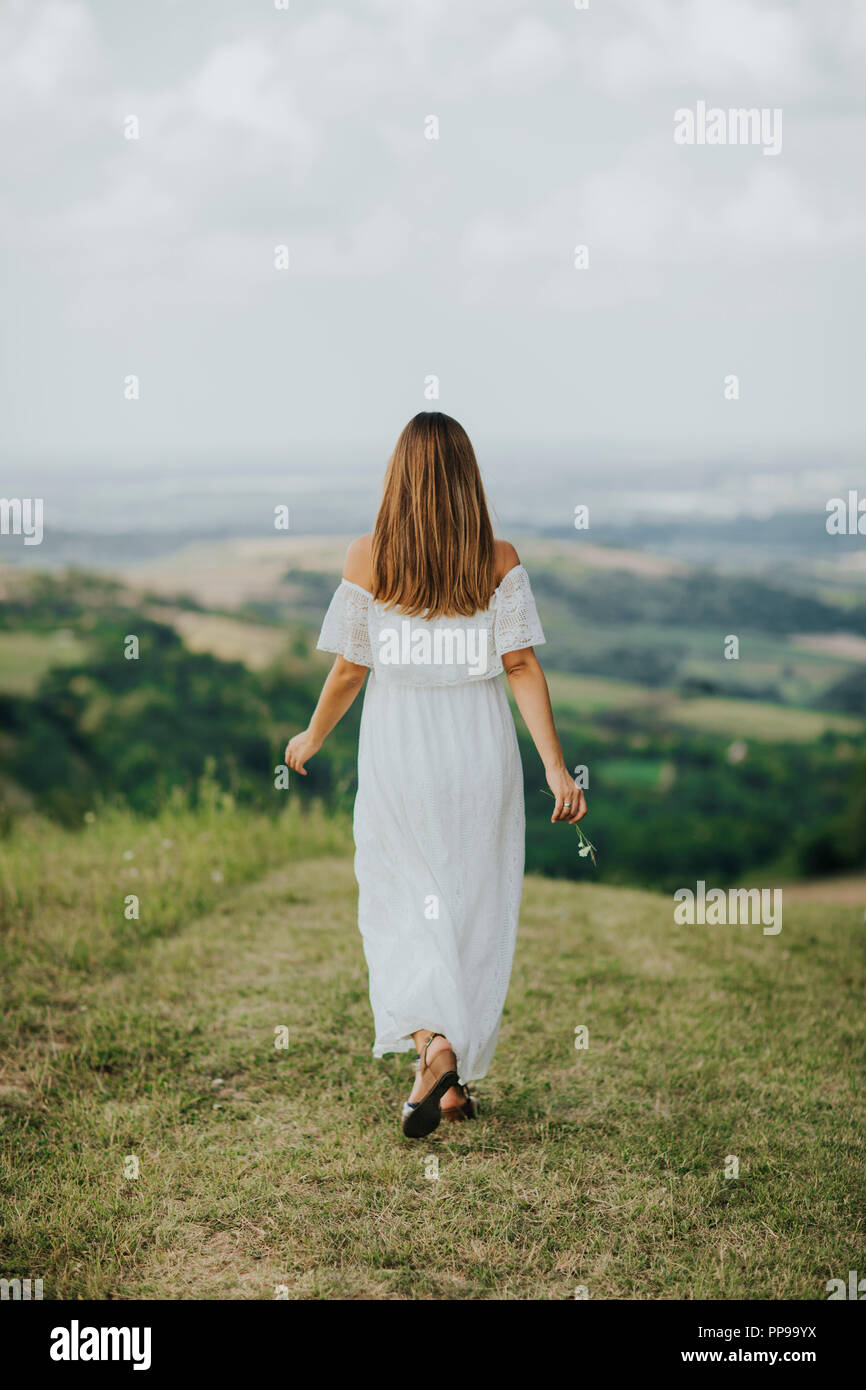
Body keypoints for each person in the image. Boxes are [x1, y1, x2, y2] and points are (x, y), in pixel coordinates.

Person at [286, 412, 587, 1138]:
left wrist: (311, 736)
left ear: (400, 479)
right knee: (471, 907)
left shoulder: (368, 556)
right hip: (481, 754)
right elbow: (521, 665)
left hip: (400, 752)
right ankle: (449, 1079)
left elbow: (350, 669)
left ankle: (433, 1047)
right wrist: (555, 767)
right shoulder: (498, 557)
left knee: (398, 904)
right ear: (466, 481)